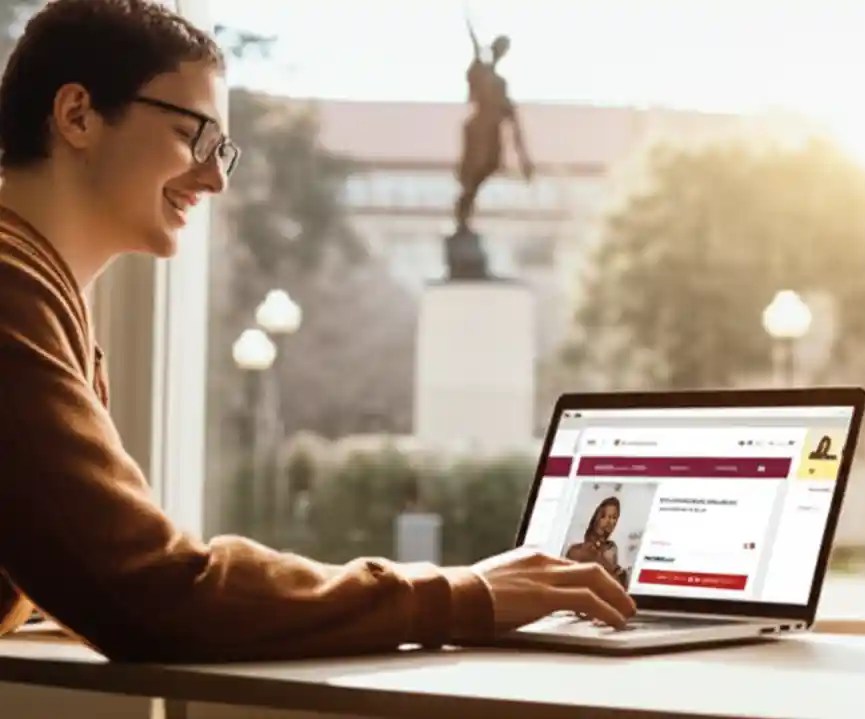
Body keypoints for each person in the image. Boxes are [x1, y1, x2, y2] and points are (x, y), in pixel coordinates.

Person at [0, 0, 633, 663]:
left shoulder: (34, 285)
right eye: (194, 135)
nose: (215, 177)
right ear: (77, 116)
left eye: (225, 151)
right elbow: (151, 589)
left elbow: (82, 567)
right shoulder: (11, 291)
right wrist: (463, 594)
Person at [454, 16, 533, 233]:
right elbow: (473, 76)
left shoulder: (498, 82)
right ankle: (463, 213)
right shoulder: (482, 73)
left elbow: (513, 121)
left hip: (491, 132)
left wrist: (524, 159)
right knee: (471, 175)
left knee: (488, 168)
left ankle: (465, 212)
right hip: (479, 130)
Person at [564, 497, 629, 587]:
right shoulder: (575, 550)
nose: (610, 521)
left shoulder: (611, 548)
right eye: (604, 516)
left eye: (614, 517)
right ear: (597, 517)